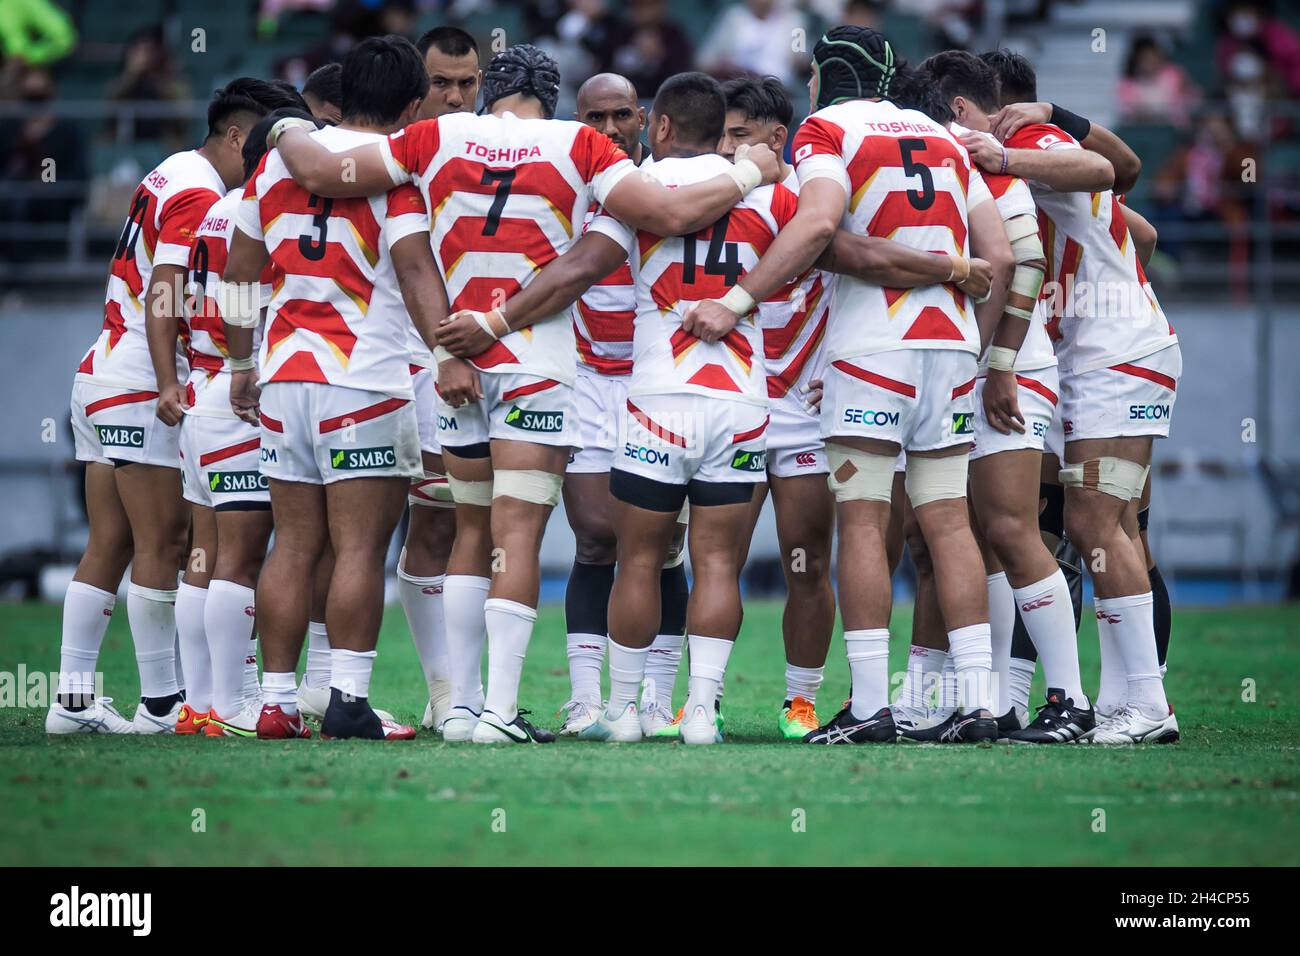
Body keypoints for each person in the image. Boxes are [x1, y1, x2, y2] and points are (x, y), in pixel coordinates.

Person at [270, 42, 781, 744]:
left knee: (470, 534)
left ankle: (457, 708)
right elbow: (666, 213)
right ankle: (500, 715)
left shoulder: (434, 137)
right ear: (556, 96)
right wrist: (750, 165)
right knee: (518, 537)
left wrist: (281, 125)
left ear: (487, 91)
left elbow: (331, 176)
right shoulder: (580, 145)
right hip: (534, 358)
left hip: (454, 358)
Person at [686, 27, 1015, 745]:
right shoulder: (943, 135)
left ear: (821, 79)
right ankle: (984, 703)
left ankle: (869, 707)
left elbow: (818, 226)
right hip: (952, 346)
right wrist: (976, 351)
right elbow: (999, 256)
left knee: (865, 522)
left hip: (874, 345)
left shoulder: (827, 129)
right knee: (950, 522)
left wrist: (737, 300)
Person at [47, 78, 300, 737]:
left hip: (102, 367)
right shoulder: (201, 193)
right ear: (241, 135)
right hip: (141, 376)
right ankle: (161, 702)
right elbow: (167, 291)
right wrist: (167, 380)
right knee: (167, 541)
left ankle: (72, 702)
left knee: (112, 541)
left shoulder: (170, 172)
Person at [222, 34, 447, 741]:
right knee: (357, 550)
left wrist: (239, 364)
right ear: (412, 105)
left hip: (287, 379)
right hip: (366, 383)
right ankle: (348, 699)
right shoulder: (395, 178)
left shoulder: (271, 175)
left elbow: (238, 278)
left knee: (292, 545)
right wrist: (451, 354)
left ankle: (276, 703)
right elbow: (415, 275)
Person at [965, 50, 1182, 745]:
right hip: (1090, 358)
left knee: (1097, 529)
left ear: (995, 109)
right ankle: (1122, 702)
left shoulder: (1025, 146)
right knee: (1085, 529)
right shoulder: (1036, 142)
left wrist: (1113, 310)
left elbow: (1106, 170)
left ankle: (1147, 705)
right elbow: (1139, 227)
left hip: (1114, 359)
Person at [549, 72, 690, 738]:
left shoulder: (670, 189)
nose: (607, 130)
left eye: (620, 117)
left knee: (663, 545)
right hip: (584, 381)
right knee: (596, 536)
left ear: (644, 118)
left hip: (656, 381)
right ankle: (584, 698)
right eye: (593, 119)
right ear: (575, 123)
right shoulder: (560, 191)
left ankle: (656, 700)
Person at [176, 110, 314, 736]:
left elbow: (169, 287)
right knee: (241, 556)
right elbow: (243, 292)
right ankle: (231, 704)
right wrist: (246, 364)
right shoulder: (258, 210)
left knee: (204, 555)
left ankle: (200, 704)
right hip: (241, 392)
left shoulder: (217, 209)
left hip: (204, 389)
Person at [393, 24, 484, 734]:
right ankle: (307, 686)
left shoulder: (491, 154)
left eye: (468, 83)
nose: (455, 97)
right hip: (385, 361)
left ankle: (450, 690)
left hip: (457, 363)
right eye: (440, 83)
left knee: (450, 521)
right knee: (339, 539)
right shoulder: (392, 154)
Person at [416, 25, 482, 119]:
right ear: (416, 83)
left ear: (479, 83)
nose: (455, 99)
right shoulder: (394, 133)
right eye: (440, 83)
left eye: (467, 83)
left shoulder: (496, 133)